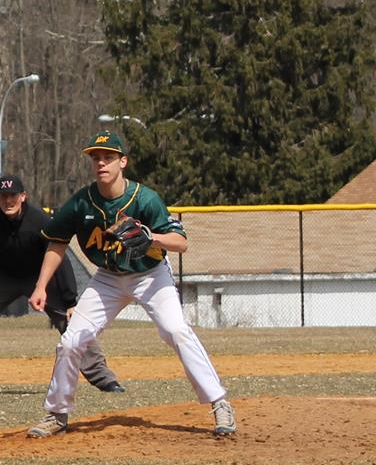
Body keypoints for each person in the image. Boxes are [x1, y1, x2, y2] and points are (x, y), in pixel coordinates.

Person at [26, 127, 235, 439]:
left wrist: (152, 237)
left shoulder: (146, 199)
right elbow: (56, 242)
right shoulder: (82, 203)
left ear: (122, 162)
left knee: (176, 330)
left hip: (150, 274)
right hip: (108, 279)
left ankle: (219, 402)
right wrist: (41, 286)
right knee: (71, 342)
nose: (101, 163)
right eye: (96, 158)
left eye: (108, 157)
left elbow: (180, 243)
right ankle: (57, 413)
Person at [0, 174, 125, 398]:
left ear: (23, 196)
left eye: (12, 196)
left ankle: (104, 379)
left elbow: (60, 259)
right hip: (2, 277)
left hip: (39, 277)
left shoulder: (39, 221)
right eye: (2, 196)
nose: (8, 201)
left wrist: (70, 302)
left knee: (71, 320)